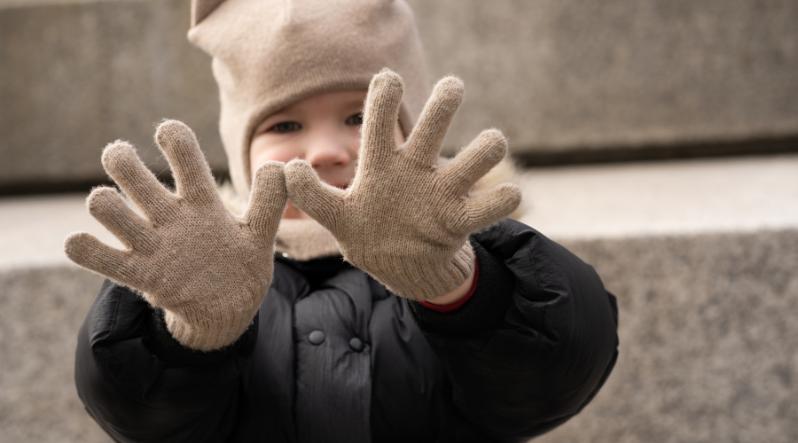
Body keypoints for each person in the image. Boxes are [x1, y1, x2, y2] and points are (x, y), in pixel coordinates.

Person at [65, 1, 619, 442]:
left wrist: (454, 286)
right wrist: (191, 334)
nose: (325, 151)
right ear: (240, 153)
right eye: (284, 125)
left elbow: (549, 380)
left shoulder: (471, 253)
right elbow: (146, 419)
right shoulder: (201, 272)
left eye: (360, 116)